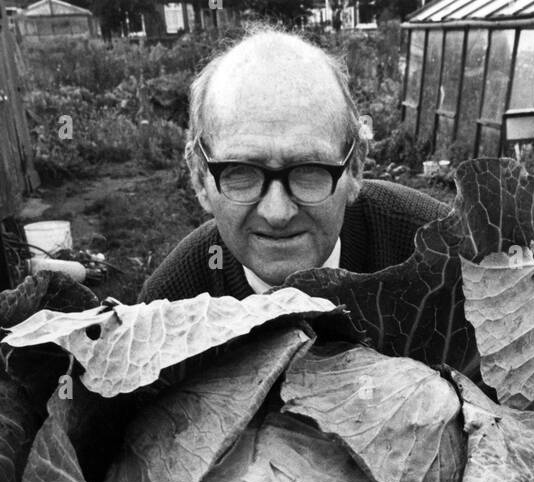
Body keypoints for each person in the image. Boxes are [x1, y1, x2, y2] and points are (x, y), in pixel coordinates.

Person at [137, 28, 446, 303]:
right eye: (241, 173)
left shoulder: (441, 251)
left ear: (354, 168)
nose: (277, 213)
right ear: (199, 178)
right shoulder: (171, 299)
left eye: (310, 171)